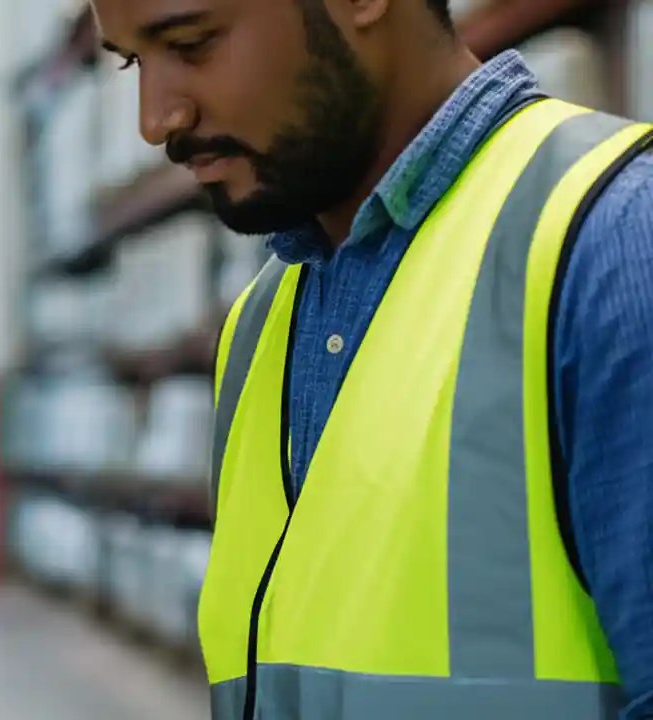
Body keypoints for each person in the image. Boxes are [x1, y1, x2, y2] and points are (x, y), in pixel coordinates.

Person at [91, 0, 653, 718]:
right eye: (134, 63)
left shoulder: (615, 248)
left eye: (193, 44)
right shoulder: (259, 327)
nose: (155, 119)